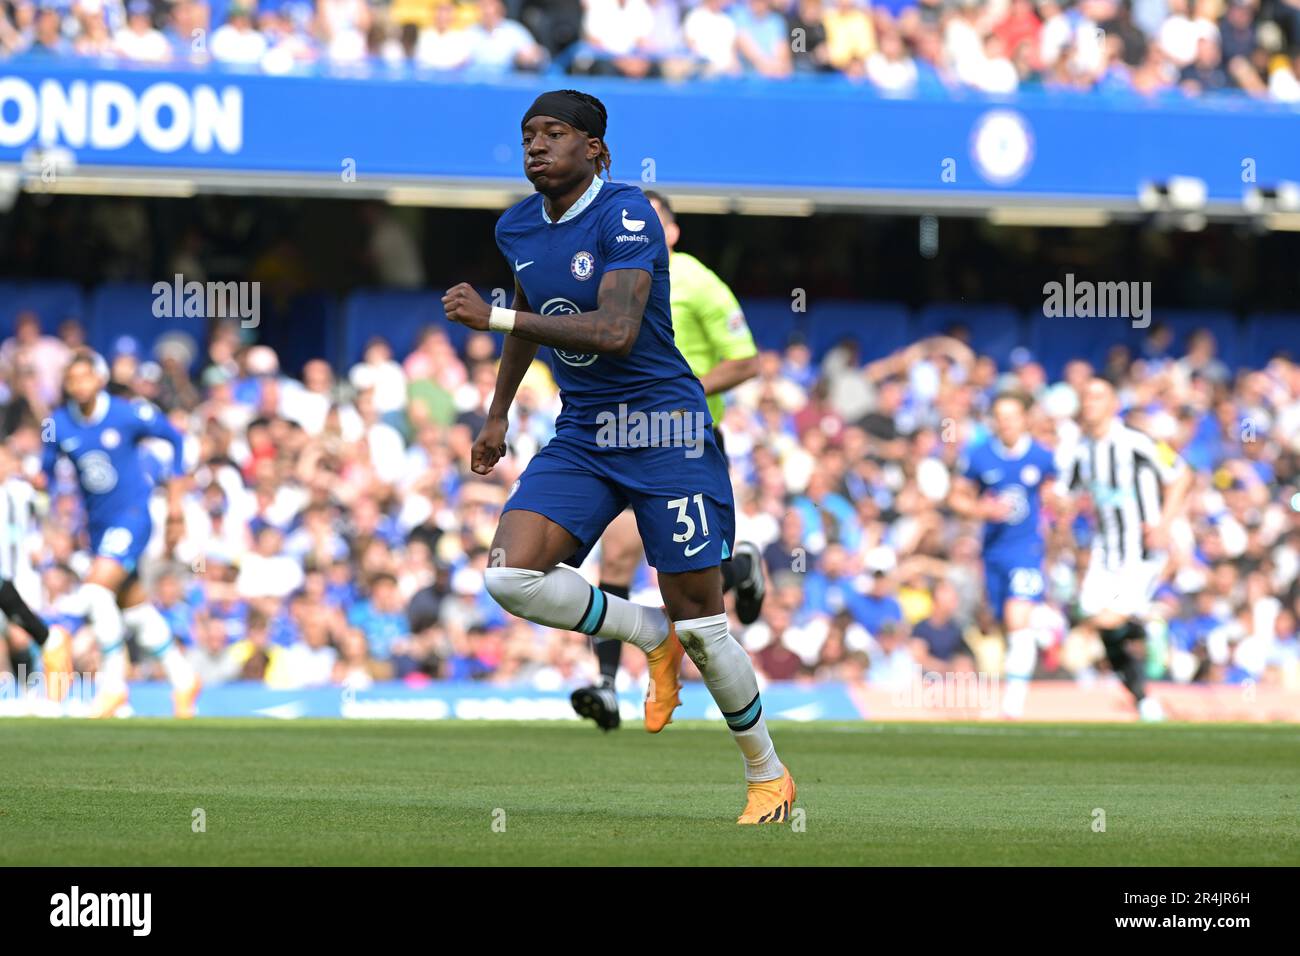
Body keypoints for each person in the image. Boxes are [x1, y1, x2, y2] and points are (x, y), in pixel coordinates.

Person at [440, 89, 795, 824]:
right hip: (587, 432)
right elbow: (529, 325)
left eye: (555, 133)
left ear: (595, 150)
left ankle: (768, 775)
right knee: (511, 575)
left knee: (704, 622)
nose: (536, 146)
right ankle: (647, 633)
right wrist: (497, 412)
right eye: (528, 134)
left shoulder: (627, 213)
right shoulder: (517, 225)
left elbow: (617, 331)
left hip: (666, 432)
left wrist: (494, 313)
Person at [570, 188, 765, 732]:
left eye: (650, 223)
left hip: (685, 436)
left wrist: (681, 389)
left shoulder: (697, 281)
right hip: (625, 435)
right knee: (615, 558)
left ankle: (740, 568)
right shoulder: (607, 280)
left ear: (672, 232)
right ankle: (607, 687)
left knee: (681, 576)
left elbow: (747, 361)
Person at [36, 351, 201, 718]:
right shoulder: (58, 423)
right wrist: (45, 509)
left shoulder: (128, 413)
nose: (79, 385)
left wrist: (175, 504)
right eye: (71, 379)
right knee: (135, 609)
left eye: (85, 377)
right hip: (96, 526)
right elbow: (46, 472)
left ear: (99, 379)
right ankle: (184, 678)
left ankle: (105, 680)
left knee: (95, 590)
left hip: (133, 516)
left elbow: (175, 438)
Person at [1057, 378, 1192, 720]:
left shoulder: (1138, 441)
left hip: (1140, 549)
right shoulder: (1082, 450)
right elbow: (1067, 497)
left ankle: (1149, 625)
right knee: (1093, 618)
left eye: (1098, 396)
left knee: (1109, 618)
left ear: (1114, 403)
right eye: (1086, 397)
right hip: (1105, 552)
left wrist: (1162, 524)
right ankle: (1143, 696)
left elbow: (1182, 474)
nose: (1090, 403)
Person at [948, 391, 1057, 717]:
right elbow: (957, 498)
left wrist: (1060, 513)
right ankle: (1043, 626)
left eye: (1012, 416)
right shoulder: (980, 456)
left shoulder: (1042, 456)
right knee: (1001, 624)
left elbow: (1053, 496)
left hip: (1027, 550)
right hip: (993, 553)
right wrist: (982, 509)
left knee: (1016, 619)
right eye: (1000, 416)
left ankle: (1013, 705)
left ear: (1025, 418)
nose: (1005, 423)